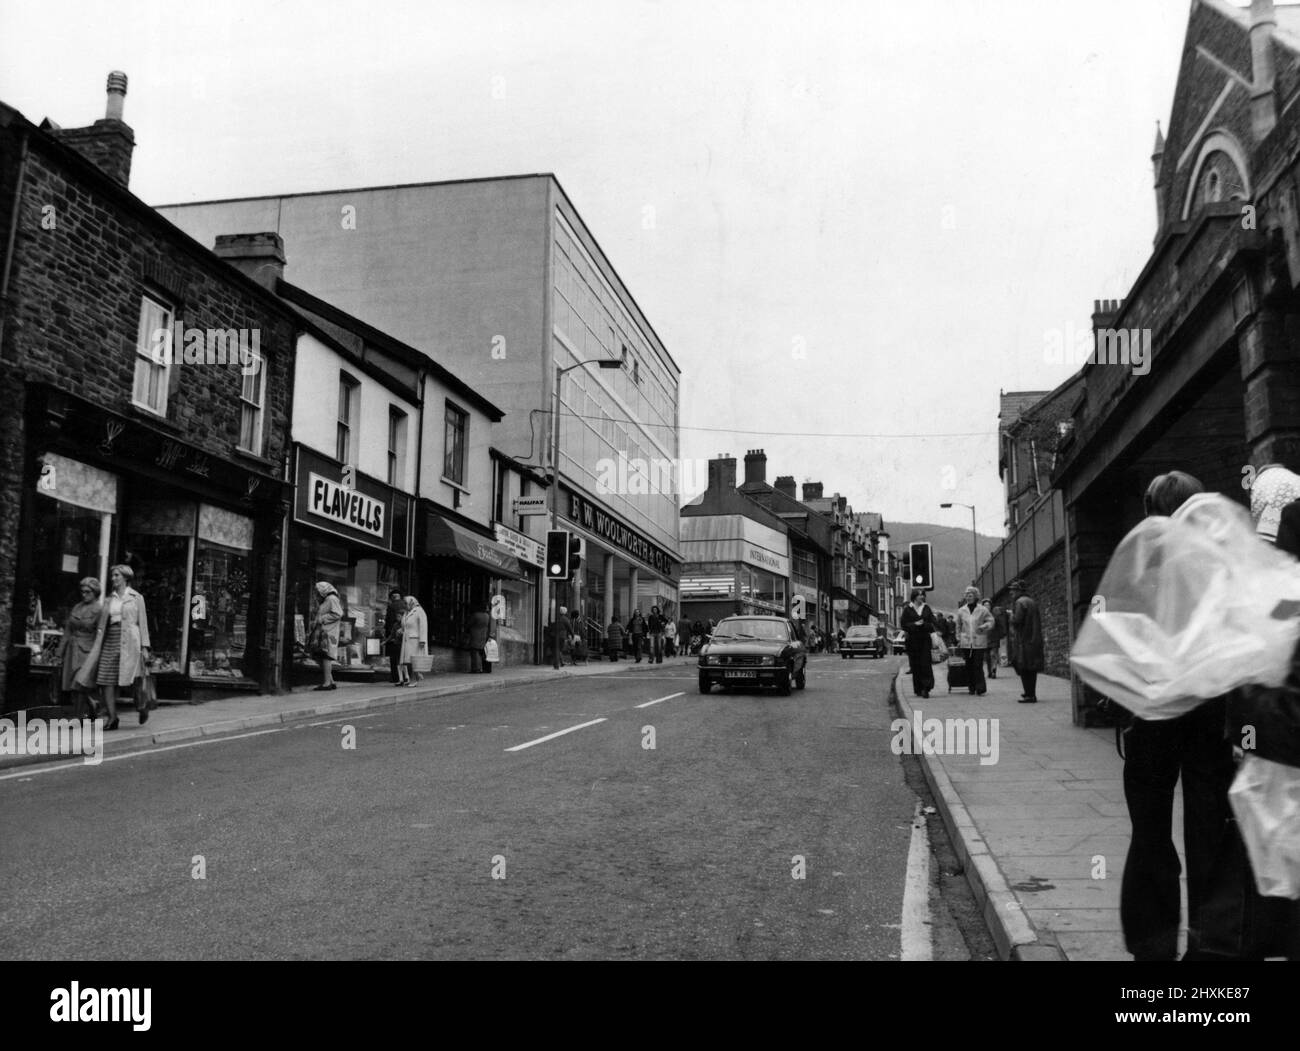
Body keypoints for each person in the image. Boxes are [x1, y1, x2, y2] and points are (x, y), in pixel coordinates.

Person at [75, 564, 150, 729]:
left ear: (125, 577)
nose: (113, 579)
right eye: (112, 576)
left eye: (116, 575)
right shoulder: (109, 599)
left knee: (133, 679)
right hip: (110, 640)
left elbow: (142, 623)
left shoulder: (136, 598)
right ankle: (112, 717)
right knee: (105, 679)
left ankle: (142, 706)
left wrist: (145, 647)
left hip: (130, 642)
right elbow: (103, 623)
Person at [58, 577, 104, 720]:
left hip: (88, 651)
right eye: (82, 591)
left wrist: (97, 654)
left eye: (88, 592)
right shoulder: (77, 607)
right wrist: (60, 651)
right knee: (73, 685)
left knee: (80, 684)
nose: (84, 594)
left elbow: (101, 634)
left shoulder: (100, 609)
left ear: (95, 592)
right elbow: (68, 631)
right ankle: (92, 706)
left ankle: (78, 717)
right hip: (73, 650)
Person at [1007, 579, 1043, 703]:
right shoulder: (1031, 601)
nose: (1011, 593)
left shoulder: (1019, 602)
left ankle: (1029, 695)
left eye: (1013, 590)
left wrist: (1010, 615)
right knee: (1031, 668)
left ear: (1018, 591)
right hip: (1033, 639)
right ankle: (1030, 693)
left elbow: (1017, 620)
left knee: (1023, 667)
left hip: (1023, 640)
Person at [956, 586, 993, 696]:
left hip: (979, 642)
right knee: (969, 665)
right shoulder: (961, 610)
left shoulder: (983, 610)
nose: (968, 597)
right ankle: (971, 687)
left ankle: (980, 687)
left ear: (976, 596)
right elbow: (958, 625)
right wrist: (958, 638)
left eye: (970, 595)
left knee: (978, 665)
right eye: (966, 595)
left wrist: (984, 626)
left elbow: (991, 621)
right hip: (966, 642)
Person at [901, 588, 936, 699]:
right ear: (914, 596)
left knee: (925, 663)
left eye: (923, 595)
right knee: (915, 665)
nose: (922, 597)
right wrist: (914, 624)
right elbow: (904, 625)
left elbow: (932, 624)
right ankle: (918, 688)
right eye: (920, 595)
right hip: (912, 641)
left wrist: (924, 624)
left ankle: (926, 687)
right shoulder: (908, 609)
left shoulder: (926, 608)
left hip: (925, 640)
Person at [309, 581, 342, 691]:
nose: (317, 593)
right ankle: (330, 681)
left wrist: (322, 619)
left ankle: (327, 683)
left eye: (318, 590)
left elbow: (338, 613)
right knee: (322, 655)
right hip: (325, 631)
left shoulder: (331, 599)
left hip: (328, 632)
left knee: (325, 656)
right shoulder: (329, 599)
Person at [401, 596, 429, 684]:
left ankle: (415, 680)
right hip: (407, 640)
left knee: (415, 661)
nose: (405, 605)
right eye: (404, 603)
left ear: (411, 602)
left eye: (406, 603)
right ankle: (417, 676)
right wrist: (401, 631)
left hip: (415, 641)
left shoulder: (419, 611)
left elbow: (423, 626)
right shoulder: (406, 612)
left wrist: (422, 640)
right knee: (408, 661)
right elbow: (405, 626)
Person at [384, 588, 406, 685]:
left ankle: (395, 677)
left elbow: (389, 622)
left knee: (394, 658)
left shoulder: (391, 606)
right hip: (405, 635)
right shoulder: (406, 605)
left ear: (393, 597)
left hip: (395, 635)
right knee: (403, 657)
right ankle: (405, 677)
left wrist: (389, 636)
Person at [467, 601, 490, 673]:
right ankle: (482, 668)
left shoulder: (475, 615)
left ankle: (475, 669)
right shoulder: (487, 616)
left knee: (474, 652)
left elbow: (469, 624)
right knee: (481, 652)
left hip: (475, 634)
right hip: (483, 635)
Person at [983, 599, 1002, 679]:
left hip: (994, 637)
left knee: (993, 654)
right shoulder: (981, 616)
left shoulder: (995, 615)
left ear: (991, 606)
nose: (987, 606)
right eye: (985, 605)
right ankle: (989, 672)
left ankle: (994, 670)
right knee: (987, 657)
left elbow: (1000, 625)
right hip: (985, 639)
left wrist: (1000, 635)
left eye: (988, 605)